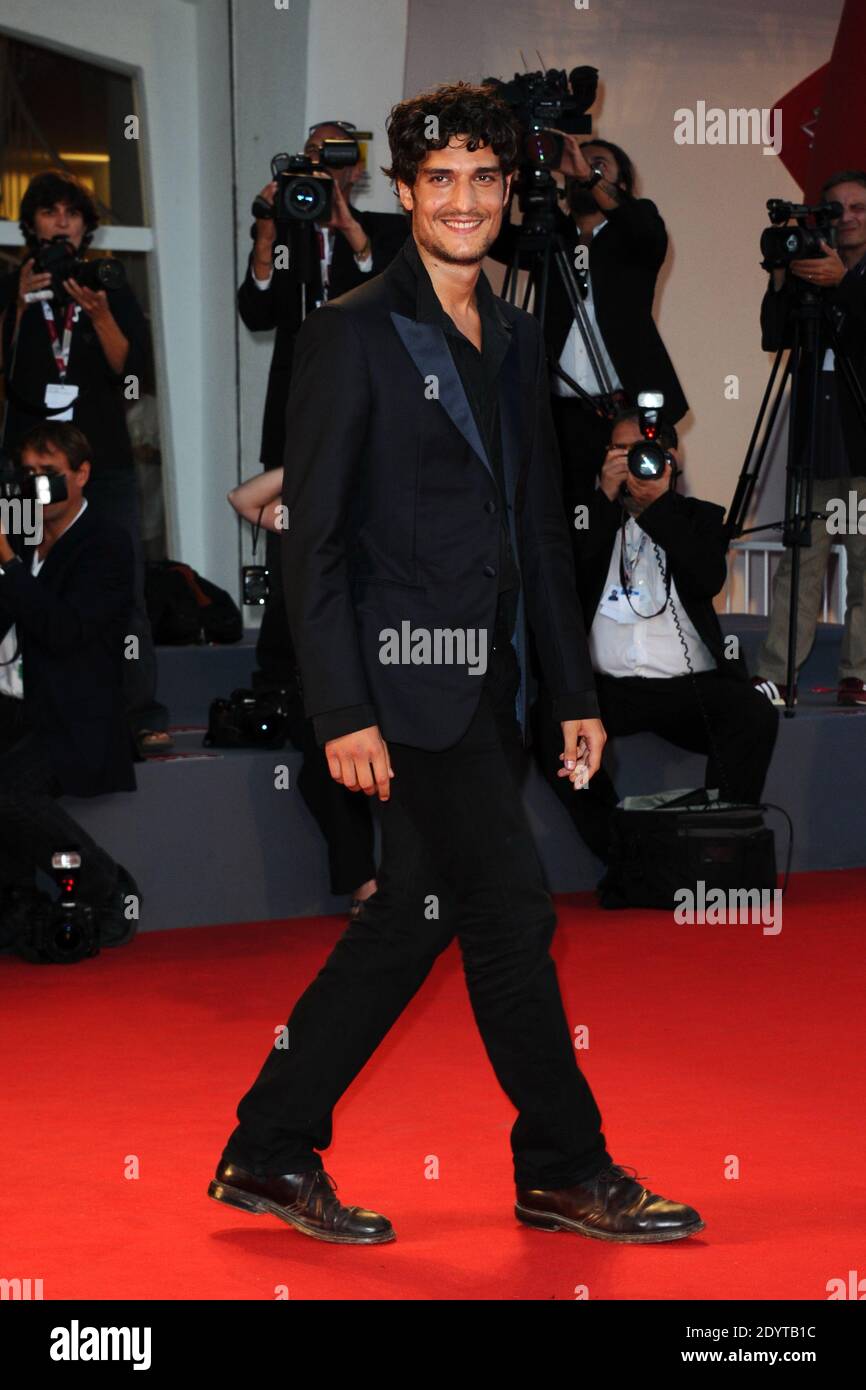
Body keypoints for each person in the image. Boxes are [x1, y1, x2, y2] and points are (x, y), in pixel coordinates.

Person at [210, 82, 704, 1247]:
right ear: (403, 190)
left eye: (486, 178)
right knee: (511, 914)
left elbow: (536, 521)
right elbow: (313, 540)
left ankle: (268, 1147)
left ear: (506, 188)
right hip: (396, 685)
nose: (466, 200)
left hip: (490, 689)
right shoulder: (348, 329)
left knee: (409, 922)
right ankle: (563, 1164)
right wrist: (338, 706)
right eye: (441, 180)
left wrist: (571, 691)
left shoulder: (517, 331)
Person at [542, 410, 778, 864]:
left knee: (752, 715)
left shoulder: (699, 518)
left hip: (688, 687)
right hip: (606, 691)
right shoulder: (587, 518)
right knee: (546, 722)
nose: (633, 463)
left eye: (643, 454)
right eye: (620, 452)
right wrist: (603, 499)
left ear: (670, 461)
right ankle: (624, 851)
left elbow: (707, 576)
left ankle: (719, 847)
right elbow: (563, 578)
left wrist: (659, 506)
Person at [0, 169, 171, 756]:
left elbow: (132, 373)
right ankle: (20, 707)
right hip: (23, 467)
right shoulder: (11, 285)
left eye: (72, 212)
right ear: (31, 224)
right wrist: (21, 306)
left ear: (86, 225)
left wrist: (98, 313)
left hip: (104, 462)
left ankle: (139, 712)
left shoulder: (108, 283)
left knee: (124, 586)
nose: (62, 222)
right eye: (50, 212)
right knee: (18, 572)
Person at [238, 120, 408, 690]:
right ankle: (280, 677)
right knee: (291, 542)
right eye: (313, 155)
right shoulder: (285, 230)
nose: (323, 168)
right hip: (293, 410)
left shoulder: (385, 230)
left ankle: (357, 672)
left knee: (364, 536)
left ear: (355, 170)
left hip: (370, 412)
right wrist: (265, 233)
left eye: (335, 157)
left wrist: (350, 232)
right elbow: (257, 314)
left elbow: (399, 298)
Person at [489, 136, 687, 516]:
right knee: (564, 519)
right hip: (559, 413)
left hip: (624, 411)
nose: (582, 170)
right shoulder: (550, 238)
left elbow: (644, 228)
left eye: (599, 166)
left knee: (636, 518)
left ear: (621, 186)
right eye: (576, 166)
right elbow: (494, 238)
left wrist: (586, 172)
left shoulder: (635, 236)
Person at [0, 422, 140, 949]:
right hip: (13, 705)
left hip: (74, 716)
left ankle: (106, 885)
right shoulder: (19, 528)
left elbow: (64, 632)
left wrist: (8, 564)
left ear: (81, 474)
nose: (35, 485)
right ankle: (15, 903)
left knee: (8, 792)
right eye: (27, 473)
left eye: (49, 474)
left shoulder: (105, 544)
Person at [227, 469, 377, 915]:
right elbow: (242, 498)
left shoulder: (381, 518)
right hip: (309, 682)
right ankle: (366, 888)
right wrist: (310, 457)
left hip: (385, 674)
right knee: (328, 765)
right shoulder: (304, 517)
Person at [751, 170, 866, 707]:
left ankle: (858, 674)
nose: (847, 217)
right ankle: (778, 672)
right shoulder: (805, 266)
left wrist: (843, 283)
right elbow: (775, 336)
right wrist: (780, 277)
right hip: (814, 442)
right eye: (836, 208)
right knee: (800, 565)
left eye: (859, 207)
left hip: (861, 442)